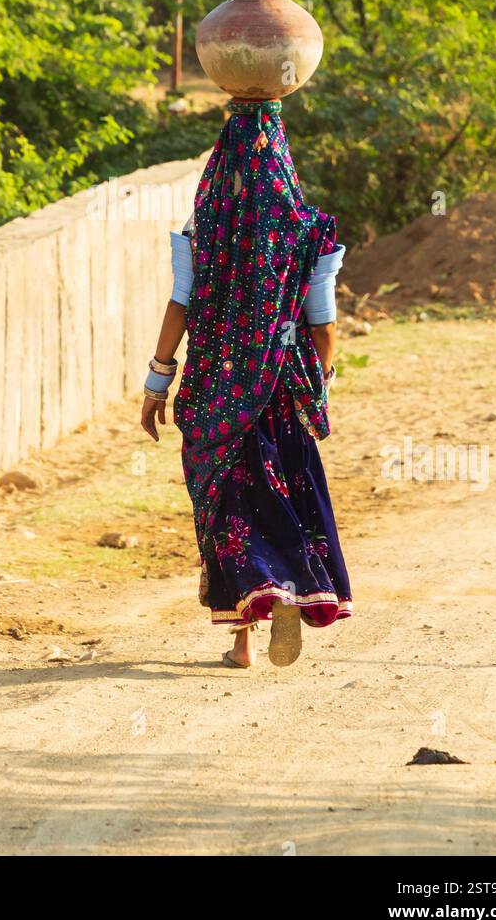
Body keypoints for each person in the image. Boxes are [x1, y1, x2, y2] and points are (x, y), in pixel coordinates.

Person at [141, 99, 351, 669]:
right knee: (283, 490)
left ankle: (243, 639)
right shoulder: (308, 232)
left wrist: (156, 381)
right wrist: (322, 379)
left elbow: (180, 306)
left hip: (215, 386)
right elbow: (323, 322)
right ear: (283, 159)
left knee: (229, 502)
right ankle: (289, 588)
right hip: (281, 387)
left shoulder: (202, 228)